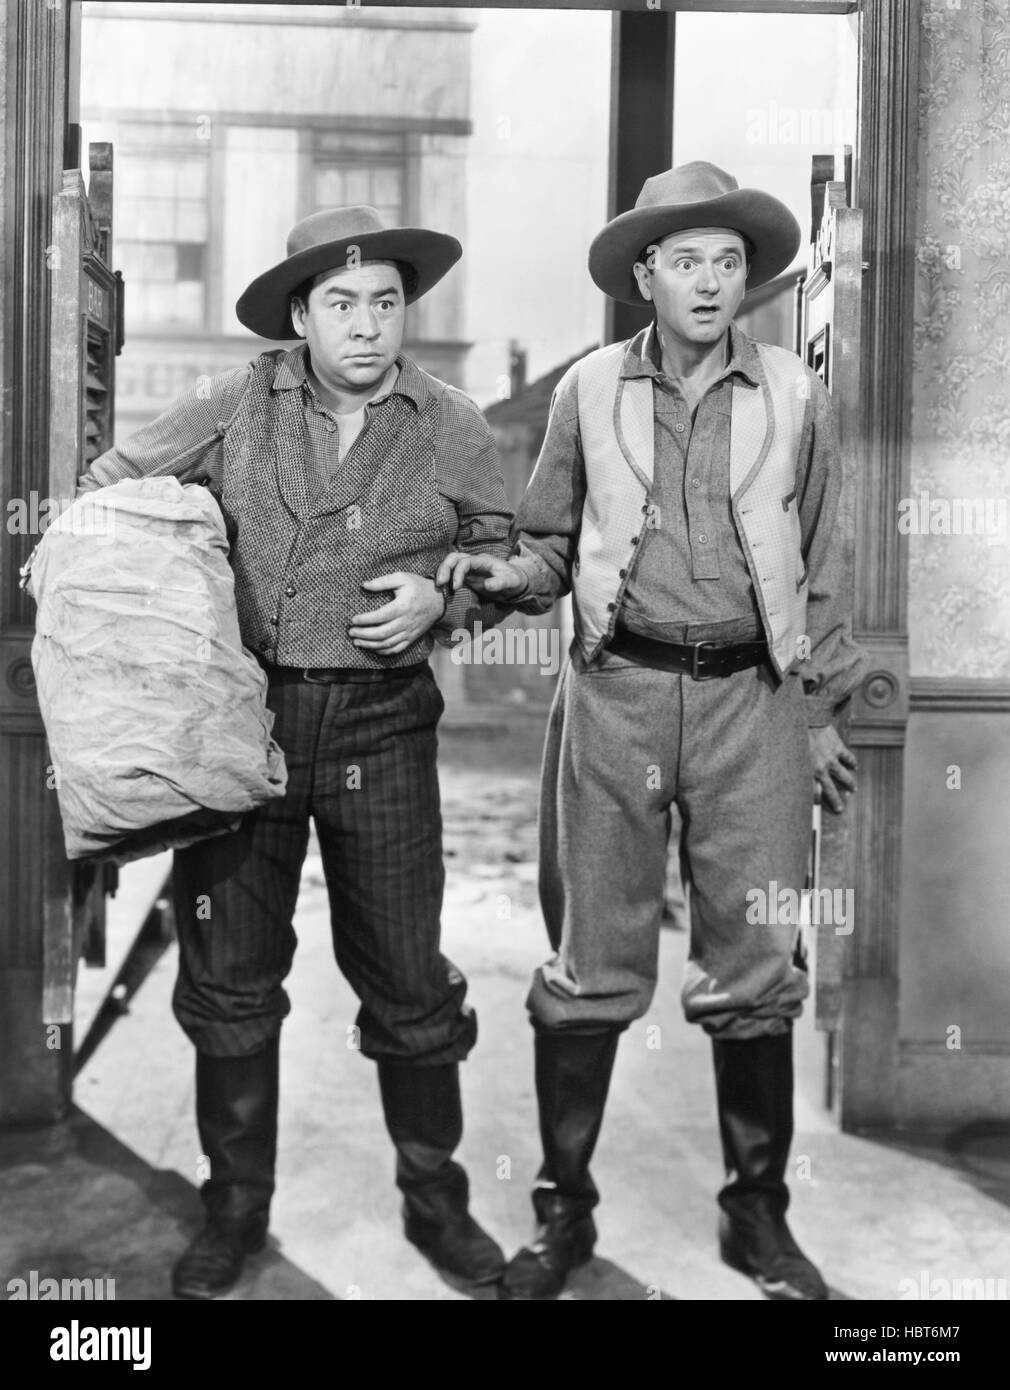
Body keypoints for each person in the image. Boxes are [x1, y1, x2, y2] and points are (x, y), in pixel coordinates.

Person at [437, 162, 867, 1301]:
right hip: (614, 690)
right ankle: (560, 1217)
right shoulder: (583, 390)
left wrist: (816, 709)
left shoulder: (792, 394)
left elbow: (824, 566)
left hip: (752, 702)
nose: (710, 281)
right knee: (589, 959)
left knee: (757, 962)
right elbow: (542, 540)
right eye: (685, 260)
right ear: (644, 275)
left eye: (728, 261)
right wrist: (499, 574)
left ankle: (756, 1219)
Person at [78, 205, 514, 1299]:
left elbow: (523, 557)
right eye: (340, 305)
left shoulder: (451, 419)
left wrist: (444, 594)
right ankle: (234, 1208)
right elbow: (107, 493)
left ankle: (436, 1201)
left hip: (382, 725)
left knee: (408, 981)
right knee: (227, 977)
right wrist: (181, 622)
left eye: (385, 304)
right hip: (242, 728)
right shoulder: (234, 401)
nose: (367, 327)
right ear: (299, 315)